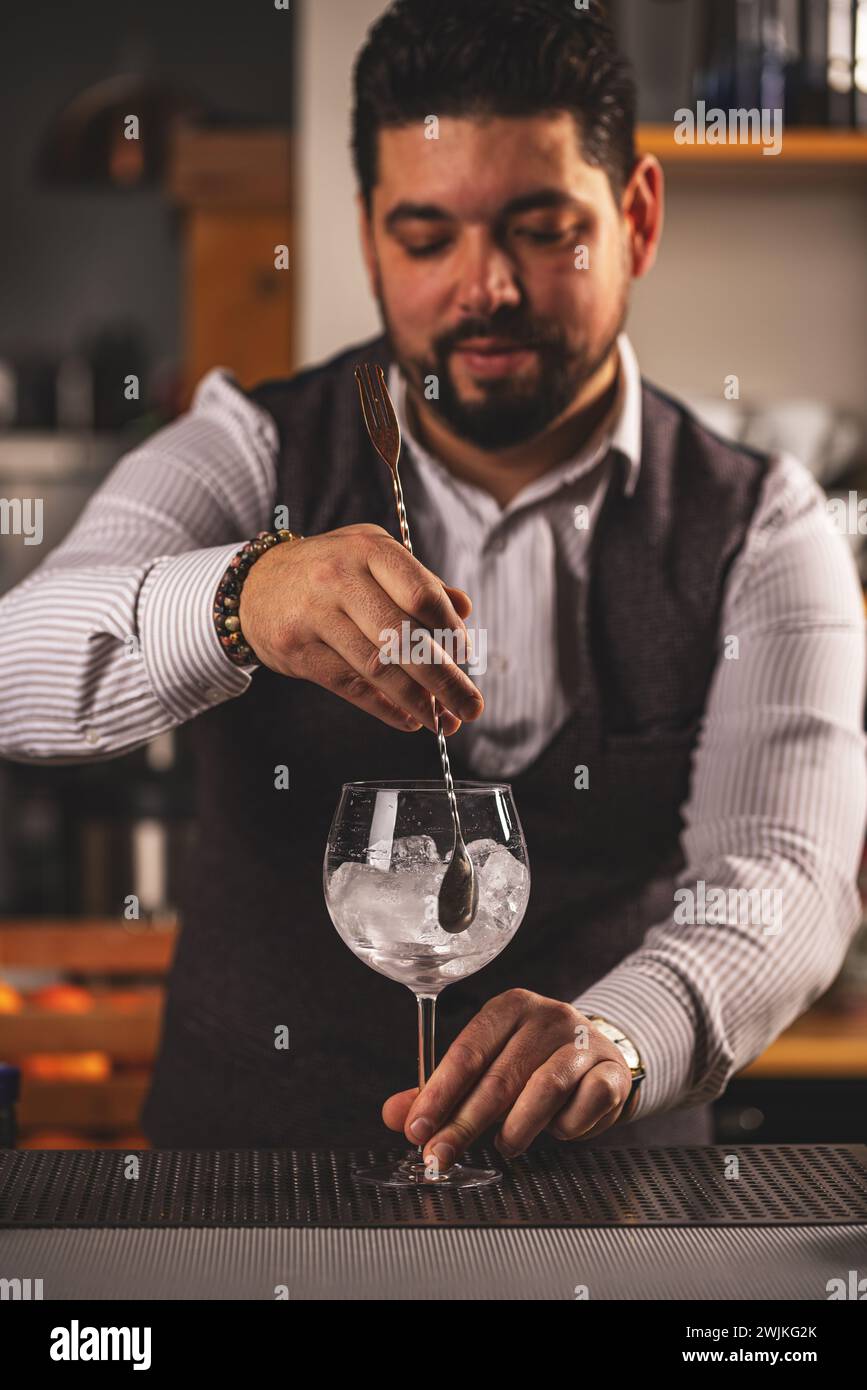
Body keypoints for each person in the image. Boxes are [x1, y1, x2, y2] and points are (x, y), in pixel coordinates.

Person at [1, 0, 864, 1165]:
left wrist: (621, 1030)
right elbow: (15, 672)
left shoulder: (762, 525)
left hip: (611, 1221)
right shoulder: (248, 451)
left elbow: (785, 879)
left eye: (539, 228)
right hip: (247, 1202)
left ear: (637, 217)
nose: (486, 287)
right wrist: (239, 599)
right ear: (365, 237)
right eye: (426, 238)